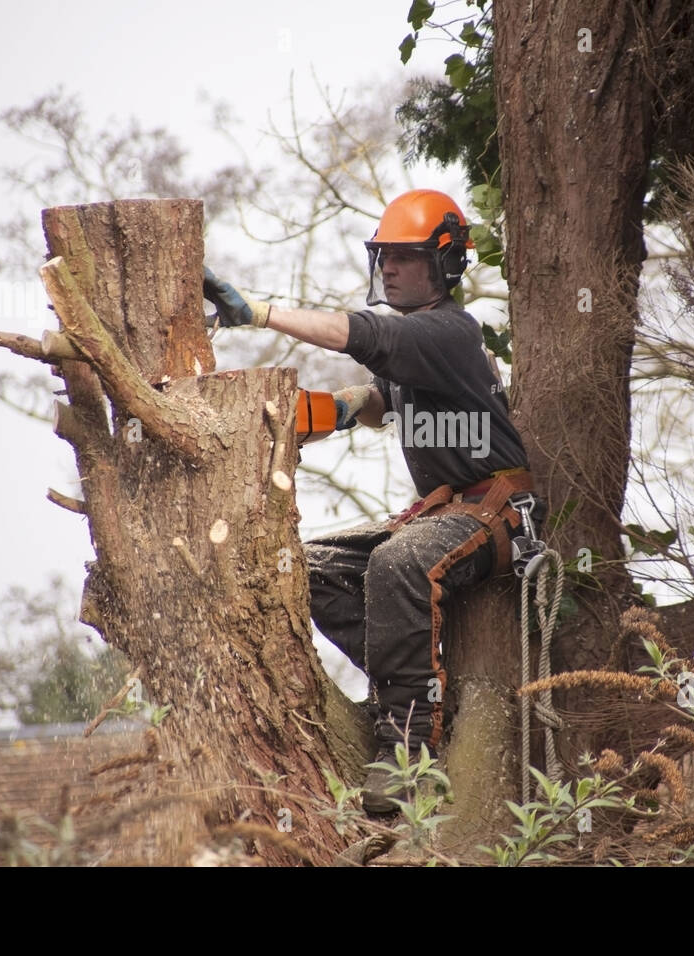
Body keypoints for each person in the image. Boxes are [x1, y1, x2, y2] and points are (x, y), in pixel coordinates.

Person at [204, 188, 544, 814]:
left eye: (404, 257)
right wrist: (332, 410)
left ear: (441, 263)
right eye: (383, 255)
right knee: (305, 567)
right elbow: (382, 398)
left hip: (493, 511)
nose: (388, 267)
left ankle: (409, 744)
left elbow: (357, 336)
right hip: (444, 513)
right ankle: (418, 685)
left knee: (395, 564)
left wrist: (258, 311)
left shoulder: (444, 330)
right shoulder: (416, 346)